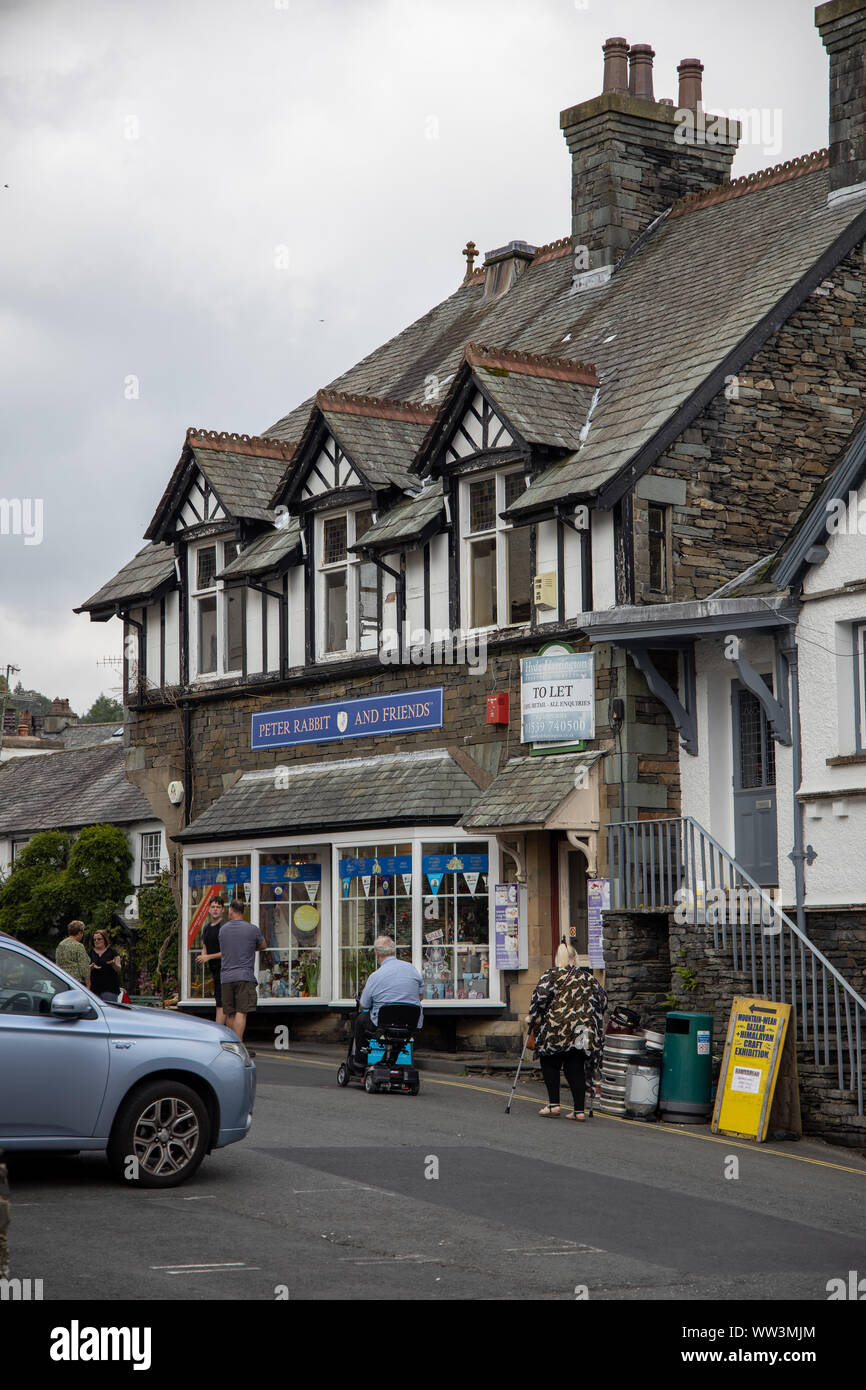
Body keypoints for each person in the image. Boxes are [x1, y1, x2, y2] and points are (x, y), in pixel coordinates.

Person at [526, 941, 607, 1121]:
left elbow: (539, 999)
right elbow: (603, 1002)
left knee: (550, 1062)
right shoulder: (589, 978)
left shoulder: (550, 975)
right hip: (583, 1030)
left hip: (556, 1028)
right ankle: (579, 1111)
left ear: (558, 958)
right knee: (576, 1067)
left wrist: (532, 1017)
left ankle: (554, 1105)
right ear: (574, 958)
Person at [353, 935, 424, 1057]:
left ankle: (360, 1061)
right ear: (393, 950)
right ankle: (393, 1059)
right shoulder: (412, 969)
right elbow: (420, 997)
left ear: (376, 954)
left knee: (360, 1020)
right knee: (400, 1029)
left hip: (383, 1026)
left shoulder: (375, 976)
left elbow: (364, 1004)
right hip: (411, 1024)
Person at [219, 900, 265, 1044]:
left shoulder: (223, 930)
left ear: (230, 911)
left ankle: (231, 1044)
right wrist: (252, 948)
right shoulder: (252, 929)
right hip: (244, 976)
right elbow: (263, 945)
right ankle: (238, 1044)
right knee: (241, 1012)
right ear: (243, 912)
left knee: (230, 1013)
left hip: (226, 976)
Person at [196, 897, 228, 1026]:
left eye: (218, 907)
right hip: (214, 970)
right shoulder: (206, 928)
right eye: (213, 907)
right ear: (209, 910)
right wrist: (203, 956)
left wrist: (208, 957)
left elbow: (227, 952)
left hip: (225, 970)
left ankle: (219, 1032)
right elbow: (205, 946)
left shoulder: (224, 927)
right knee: (219, 1003)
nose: (215, 910)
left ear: (223, 910)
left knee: (221, 1004)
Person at [89, 929, 122, 1003]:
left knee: (109, 1007)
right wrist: (91, 967)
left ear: (105, 940)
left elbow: (119, 968)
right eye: (94, 939)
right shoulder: (89, 953)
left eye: (99, 939)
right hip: (93, 989)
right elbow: (84, 969)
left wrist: (113, 964)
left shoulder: (113, 952)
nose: (96, 941)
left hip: (110, 989)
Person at [55, 920, 91, 987]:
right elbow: (84, 968)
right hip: (76, 982)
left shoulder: (61, 944)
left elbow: (58, 962)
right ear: (80, 932)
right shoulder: (79, 946)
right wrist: (88, 984)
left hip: (62, 980)